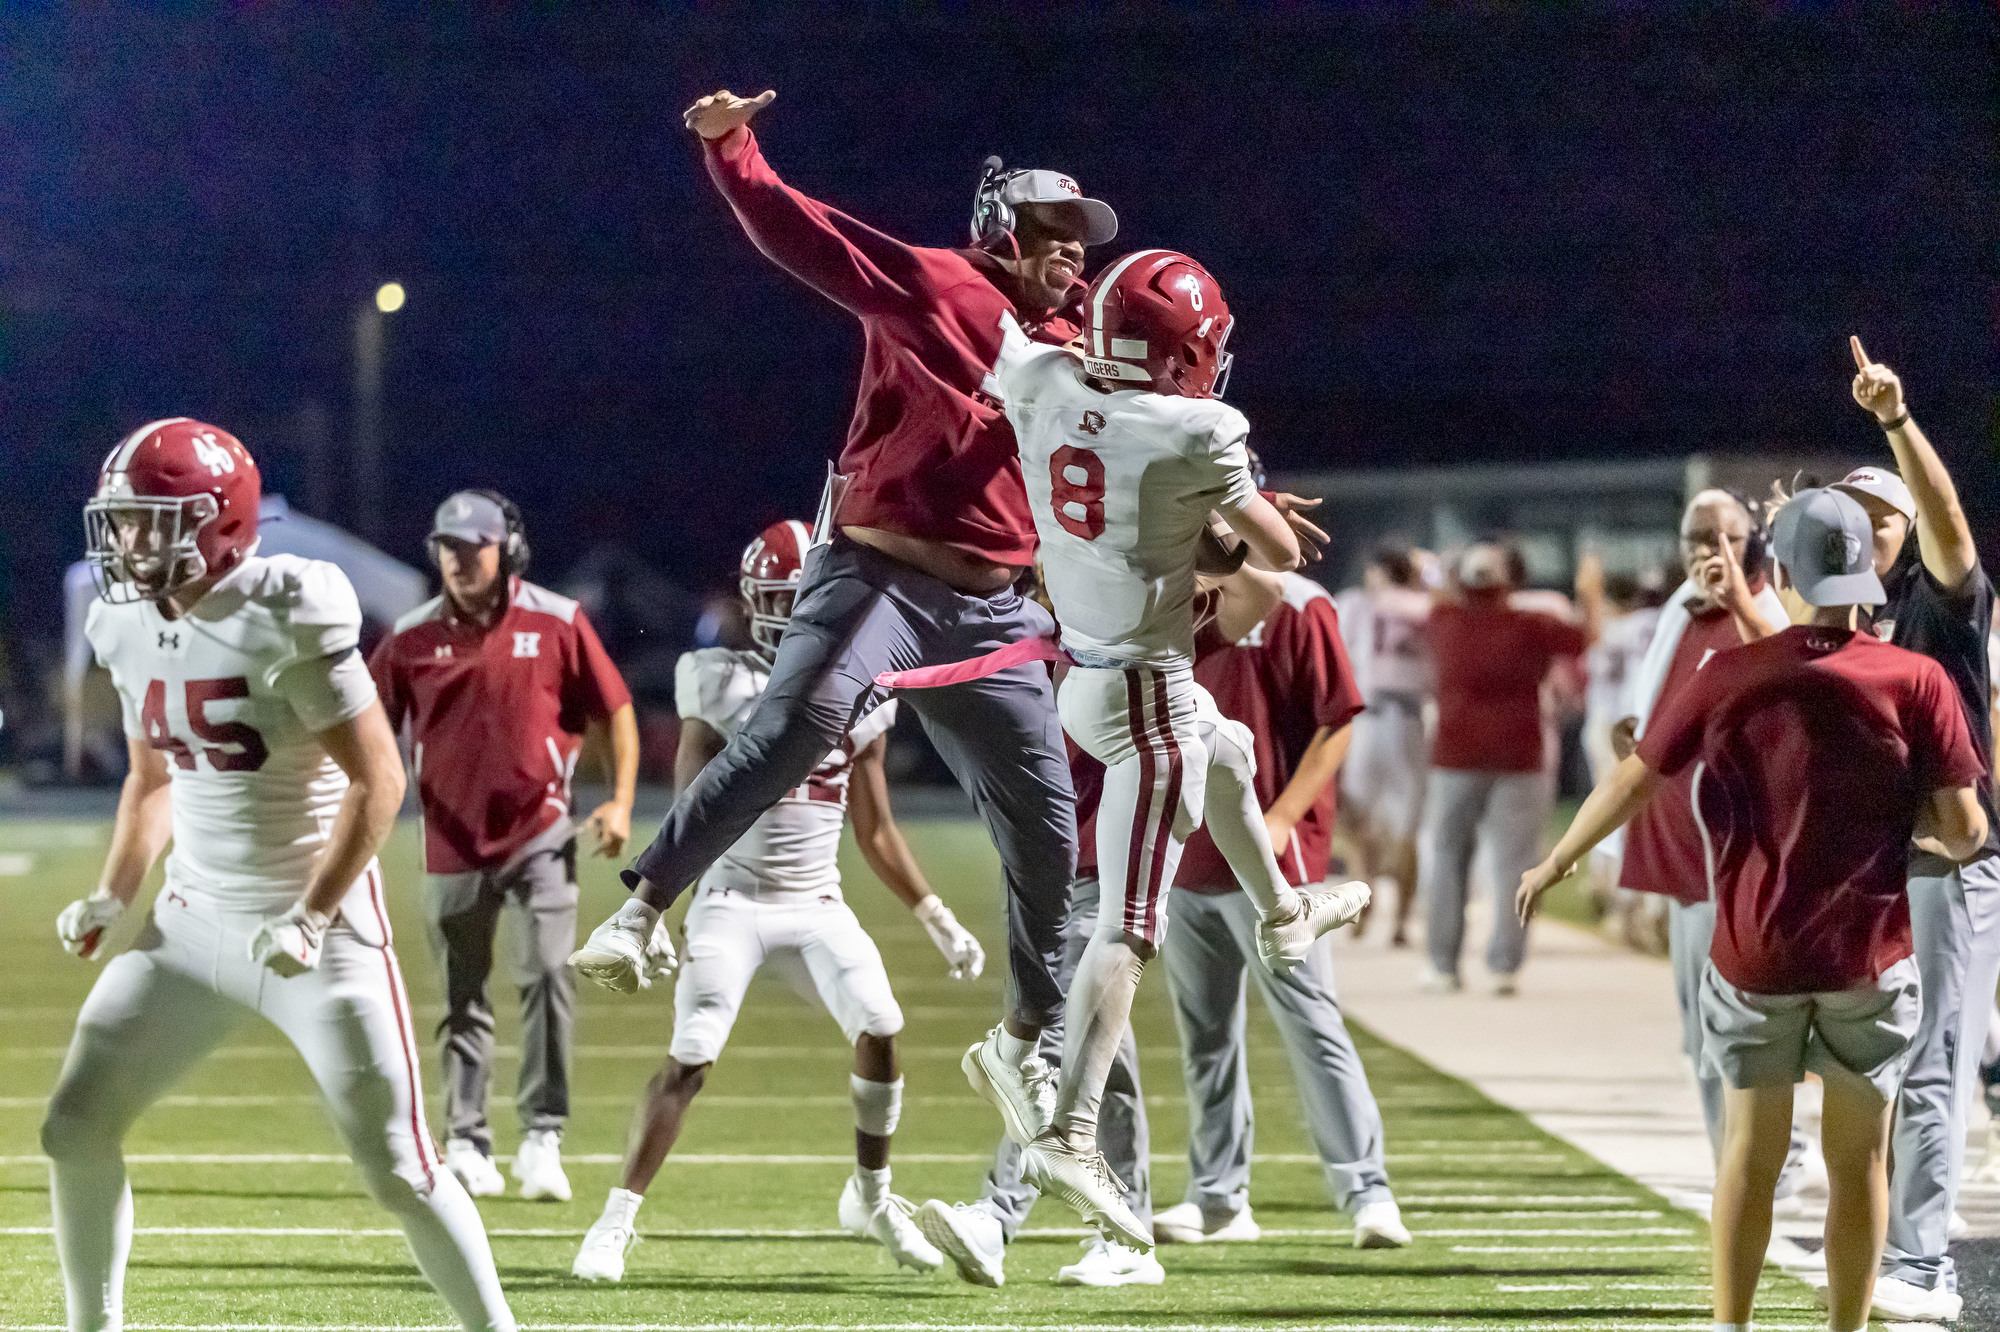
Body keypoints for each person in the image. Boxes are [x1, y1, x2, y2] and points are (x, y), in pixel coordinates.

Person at [570, 88, 1118, 1133]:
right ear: (1002, 226)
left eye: (1074, 241)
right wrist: (730, 149)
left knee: (1048, 823)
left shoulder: (1078, 346)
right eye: (1050, 234)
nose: (1067, 256)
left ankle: (1026, 1042)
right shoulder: (936, 283)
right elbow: (802, 233)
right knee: (797, 722)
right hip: (879, 575)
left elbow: (1145, 447)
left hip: (996, 610)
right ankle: (642, 911)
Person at [931, 250, 1365, 1251]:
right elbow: (1279, 552)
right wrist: (1225, 503)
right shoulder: (1198, 427)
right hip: (1142, 695)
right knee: (1128, 930)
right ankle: (1066, 1125)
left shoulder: (1039, 379)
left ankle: (1281, 911)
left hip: (1087, 679)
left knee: (1230, 748)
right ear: (1185, 353)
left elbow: (1017, 362)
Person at [45, 419, 515, 1332]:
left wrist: (311, 912)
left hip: (317, 935)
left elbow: (380, 780)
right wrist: (114, 891)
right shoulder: (124, 618)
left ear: (217, 523)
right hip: (188, 925)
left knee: (402, 1170)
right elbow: (152, 780)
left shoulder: (283, 606)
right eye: (125, 520)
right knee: (72, 1128)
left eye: (152, 521)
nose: (130, 542)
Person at [1519, 485, 1989, 1332]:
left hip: (1754, 953)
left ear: (1787, 567)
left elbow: (1637, 775)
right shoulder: (1916, 679)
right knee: (1859, 1166)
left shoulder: (1730, 672)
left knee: (1750, 1155)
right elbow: (1963, 832)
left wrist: (1559, 856)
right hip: (1870, 958)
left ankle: (1732, 1327)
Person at [570, 520, 987, 1282]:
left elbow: (876, 825)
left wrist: (936, 913)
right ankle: (614, 1220)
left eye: (797, 600)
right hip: (731, 900)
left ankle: (871, 1195)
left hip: (816, 904)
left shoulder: (864, 687)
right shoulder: (720, 678)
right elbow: (695, 803)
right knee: (692, 1053)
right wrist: (656, 905)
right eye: (774, 601)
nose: (784, 616)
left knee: (883, 1030)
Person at [369, 490, 638, 1201]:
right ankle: (465, 1139)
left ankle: (542, 1137)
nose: (459, 561)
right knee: (463, 998)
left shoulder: (556, 620)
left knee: (549, 976)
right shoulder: (413, 635)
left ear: (506, 548)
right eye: (448, 548)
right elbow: (367, 732)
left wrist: (620, 801)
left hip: (541, 834)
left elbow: (615, 709)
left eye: (473, 547)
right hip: (450, 841)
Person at [1155, 557, 1412, 1252]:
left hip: (1272, 863)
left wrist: (1285, 815)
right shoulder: (1167, 588)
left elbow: (1339, 718)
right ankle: (1218, 1197)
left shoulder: (1297, 604)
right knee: (1205, 1036)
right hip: (1185, 849)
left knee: (1310, 1022)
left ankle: (1367, 1189)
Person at [1832, 337, 2000, 1322]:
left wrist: (1894, 424)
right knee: (1870, 1065)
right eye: (1849, 520)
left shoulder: (1936, 608)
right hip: (1867, 868)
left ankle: (1922, 1260)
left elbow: (1946, 527)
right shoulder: (1834, 618)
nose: (1867, 531)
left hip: (1949, 861)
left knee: (1934, 1060)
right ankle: (1881, 1243)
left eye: (1878, 517)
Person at [1612, 490, 1809, 1195]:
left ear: (1752, 541)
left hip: (1748, 856)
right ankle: (1737, 1164)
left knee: (1767, 1020)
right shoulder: (1682, 611)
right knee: (1701, 1034)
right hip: (1685, 850)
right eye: (1696, 537)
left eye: (1722, 537)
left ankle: (1776, 1151)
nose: (1706, 553)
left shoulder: (1774, 609)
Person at [1415, 540, 1600, 994]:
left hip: (1455, 756)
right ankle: (1504, 965)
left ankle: (1443, 964)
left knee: (1447, 858)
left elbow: (1438, 592)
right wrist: (1590, 587)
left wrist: (1436, 569)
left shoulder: (1444, 622)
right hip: (1519, 756)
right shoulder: (1532, 623)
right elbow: (1586, 635)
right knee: (1515, 864)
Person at [1336, 537, 1433, 946]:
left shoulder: (1357, 602)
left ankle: (1364, 899)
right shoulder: (1426, 605)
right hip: (1409, 720)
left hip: (1367, 720)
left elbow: (1336, 654)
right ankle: (1401, 922)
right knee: (1406, 827)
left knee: (1359, 821)